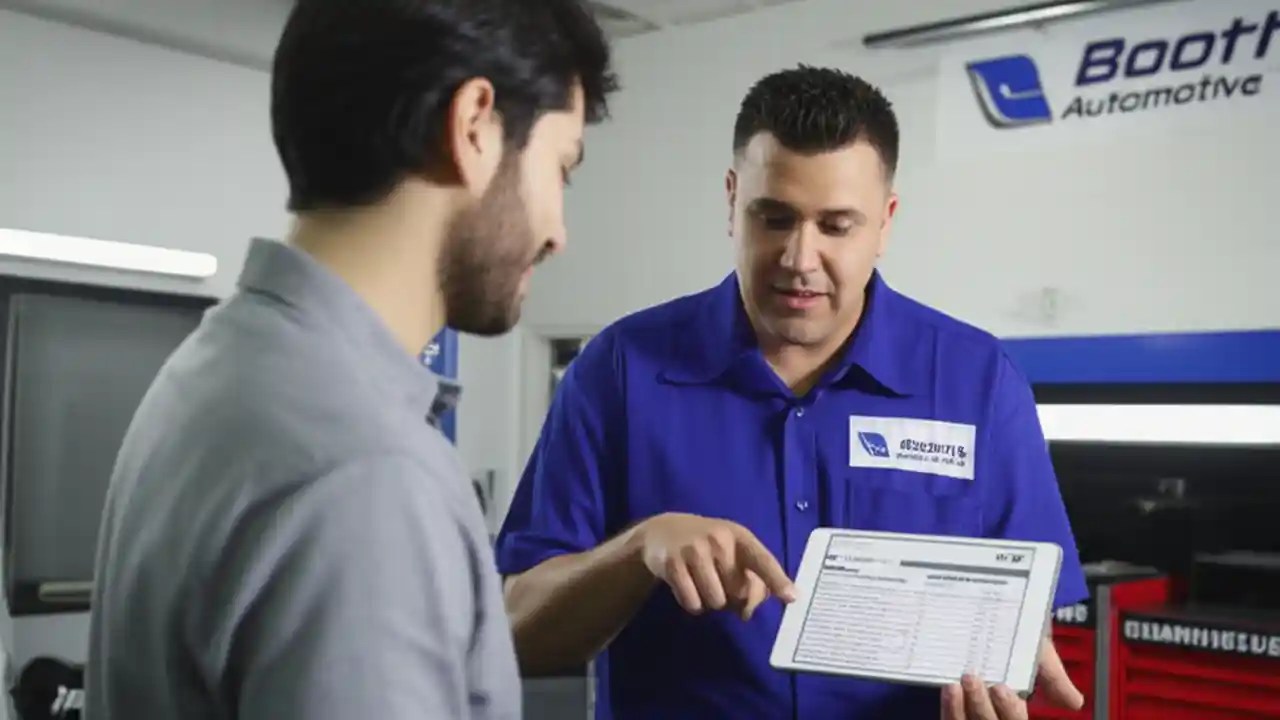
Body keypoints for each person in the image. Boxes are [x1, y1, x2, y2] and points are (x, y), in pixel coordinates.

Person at [495, 65, 1088, 720]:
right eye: (774, 218)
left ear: (885, 223)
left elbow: (1023, 623)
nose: (800, 259)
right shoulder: (620, 371)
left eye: (836, 226)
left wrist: (1002, 667)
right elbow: (516, 630)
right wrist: (640, 551)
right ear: (730, 201)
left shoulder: (977, 382)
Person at [86, 1, 616, 718]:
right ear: (474, 128)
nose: (558, 232)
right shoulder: (370, 471)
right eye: (562, 169)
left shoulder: (210, 372)